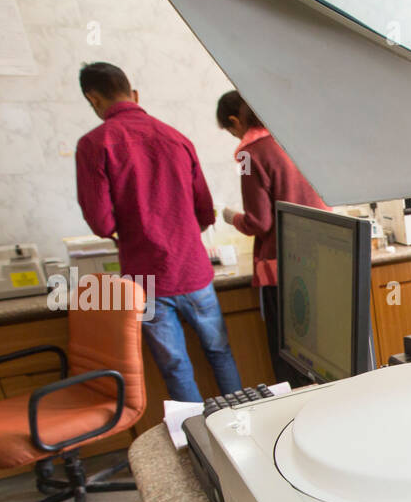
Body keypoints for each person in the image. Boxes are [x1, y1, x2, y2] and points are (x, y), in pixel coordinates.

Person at [75, 62, 242, 402]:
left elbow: (102, 223)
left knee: (175, 366)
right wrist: (180, 233)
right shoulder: (176, 137)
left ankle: (193, 434)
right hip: (194, 272)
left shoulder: (94, 144)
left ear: (93, 99)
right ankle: (244, 421)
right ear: (134, 94)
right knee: (220, 352)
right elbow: (204, 210)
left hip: (146, 280)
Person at [216, 91, 327, 386]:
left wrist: (231, 217)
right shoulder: (297, 140)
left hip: (284, 267)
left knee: (290, 356)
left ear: (235, 121)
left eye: (231, 131)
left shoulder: (249, 155)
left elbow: (260, 222)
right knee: (325, 352)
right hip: (324, 258)